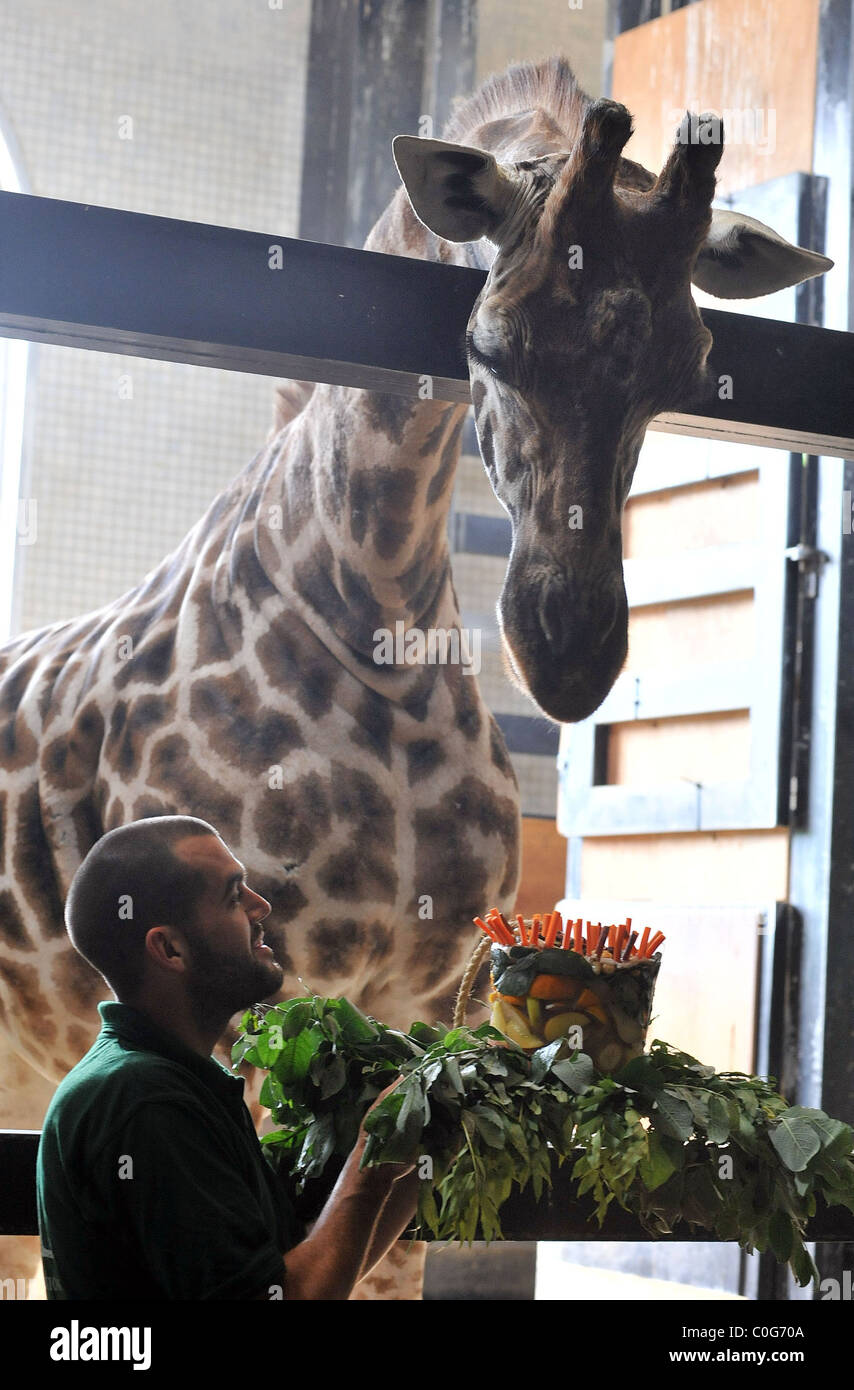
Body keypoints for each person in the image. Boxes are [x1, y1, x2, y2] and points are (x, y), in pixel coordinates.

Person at [36, 815, 419, 1300]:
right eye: (234, 896)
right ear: (170, 949)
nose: (262, 905)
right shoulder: (145, 1101)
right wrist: (369, 1166)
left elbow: (296, 1275)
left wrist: (423, 1129)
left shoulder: (175, 1078)